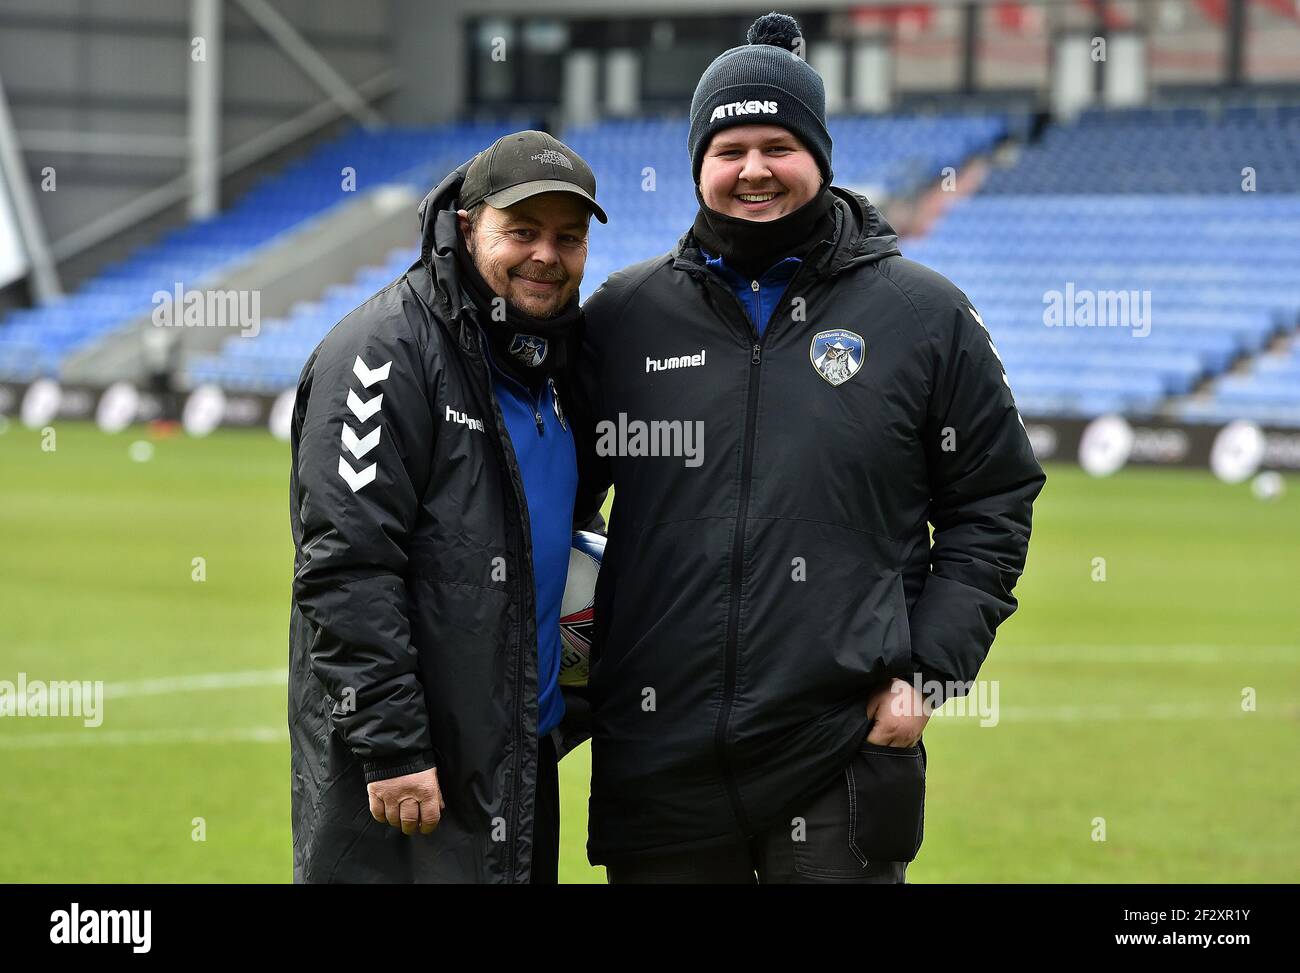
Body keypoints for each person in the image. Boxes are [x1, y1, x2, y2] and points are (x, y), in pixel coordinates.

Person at [575, 13, 1046, 883]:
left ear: (820, 157)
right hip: (660, 758)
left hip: (840, 752)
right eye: (729, 148)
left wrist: (927, 678)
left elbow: (992, 502)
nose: (754, 168)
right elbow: (547, 496)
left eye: (778, 144)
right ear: (699, 166)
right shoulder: (622, 316)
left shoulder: (922, 315)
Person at [288, 130, 606, 883]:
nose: (546, 255)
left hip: (519, 763)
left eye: (568, 237)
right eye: (521, 231)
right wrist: (395, 747)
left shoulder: (559, 366)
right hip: (408, 782)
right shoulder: (382, 350)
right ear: (468, 228)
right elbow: (346, 566)